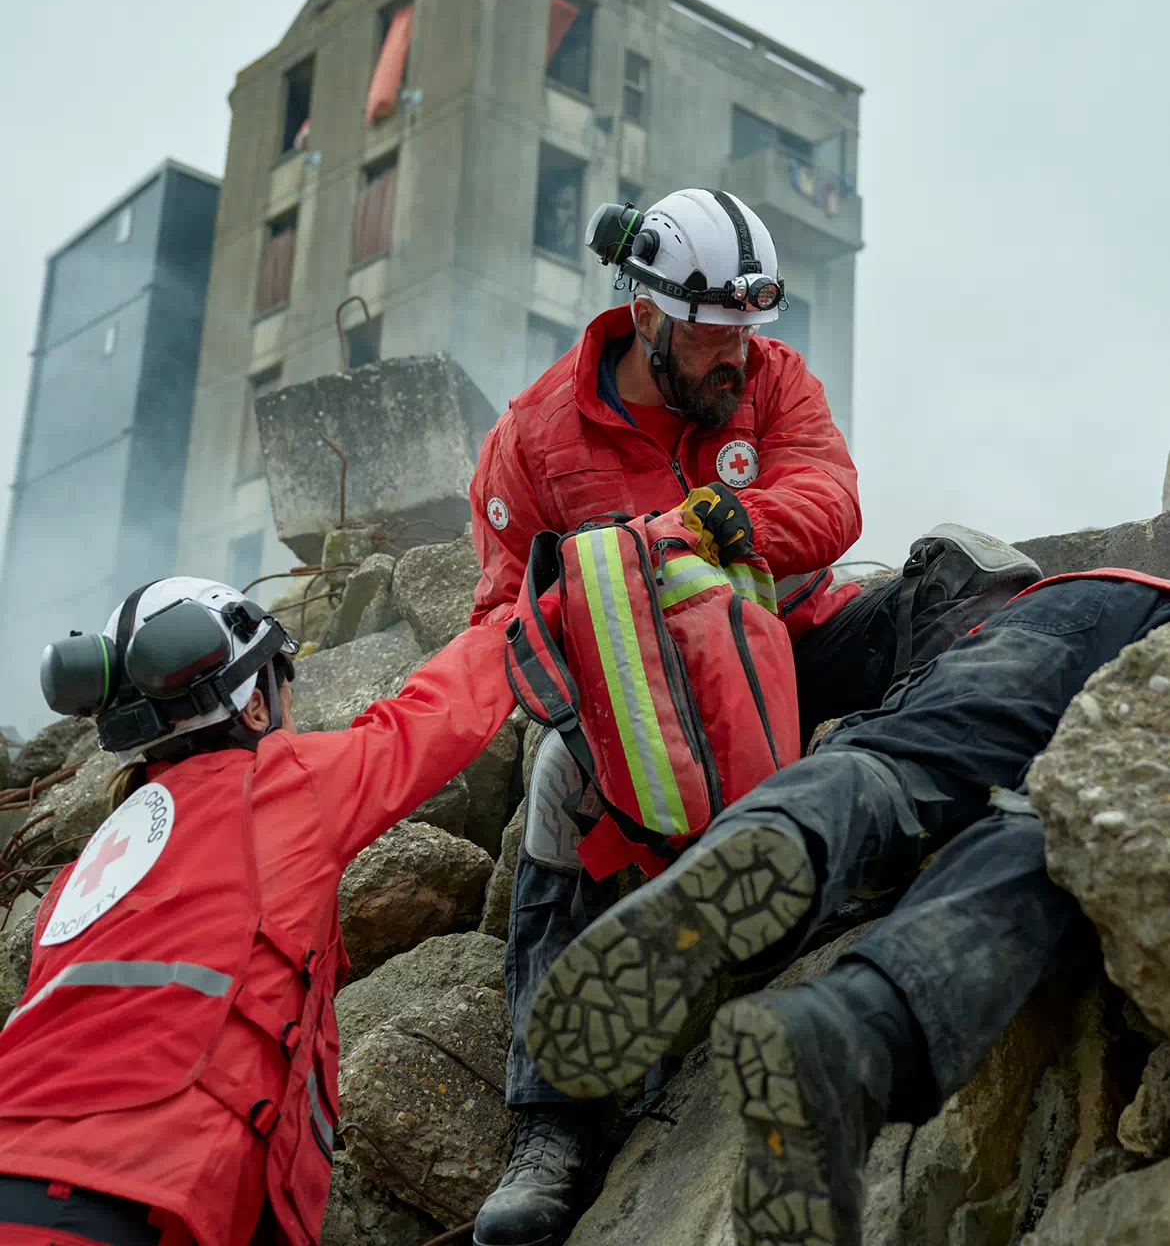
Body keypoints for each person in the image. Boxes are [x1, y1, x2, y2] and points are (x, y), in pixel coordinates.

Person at [469, 187, 1038, 1246]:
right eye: (710, 331)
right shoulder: (535, 438)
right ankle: (550, 1124)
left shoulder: (773, 383)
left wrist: (728, 526)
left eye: (748, 329)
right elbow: (498, 613)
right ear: (643, 315)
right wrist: (598, 634)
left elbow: (833, 493)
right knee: (556, 778)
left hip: (797, 641)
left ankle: (903, 818)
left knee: (960, 579)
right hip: (646, 703)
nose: (735, 355)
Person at [524, 569, 1170, 1246]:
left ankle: (772, 840)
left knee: (901, 765)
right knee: (1064, 832)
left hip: (1068, 607)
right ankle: (859, 1032)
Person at [0, 576, 524, 1246]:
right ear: (254, 706)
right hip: (123, 1197)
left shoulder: (86, 873)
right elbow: (435, 715)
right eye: (287, 693)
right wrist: (542, 592)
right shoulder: (280, 787)